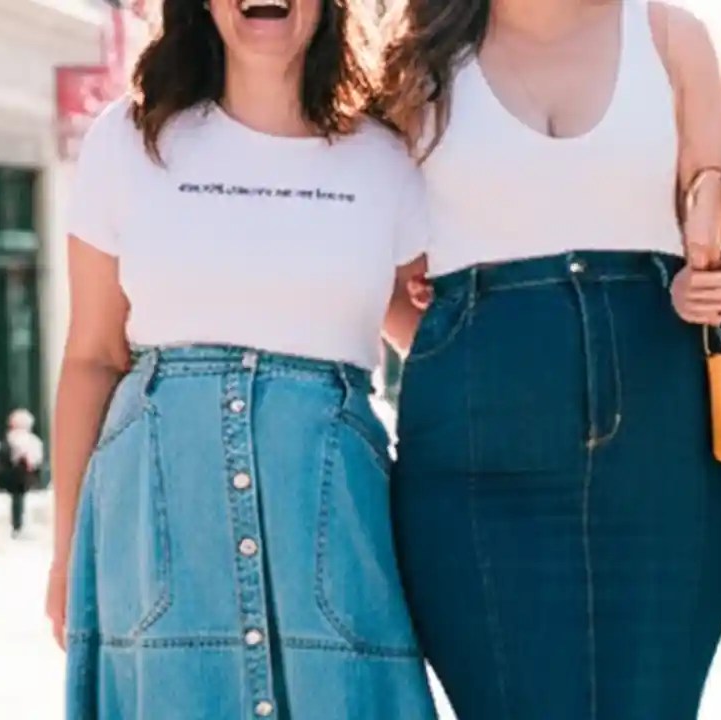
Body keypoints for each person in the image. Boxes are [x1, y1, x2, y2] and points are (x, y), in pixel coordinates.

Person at [44, 1, 435, 717]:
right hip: (158, 539)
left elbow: (433, 341)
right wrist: (67, 548)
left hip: (334, 538)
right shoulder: (129, 141)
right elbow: (94, 356)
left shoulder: (387, 159)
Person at [377, 1, 721, 717]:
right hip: (473, 452)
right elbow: (380, 280)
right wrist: (465, 350)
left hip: (662, 439)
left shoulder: (671, 37)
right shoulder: (416, 56)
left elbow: (719, 220)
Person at [0, 408, 44, 538]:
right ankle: (19, 525)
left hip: (17, 473)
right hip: (23, 473)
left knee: (18, 500)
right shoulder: (31, 439)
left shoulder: (13, 438)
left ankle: (18, 525)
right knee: (20, 500)